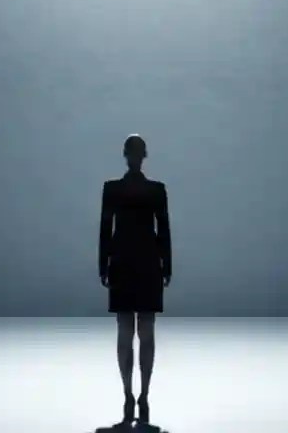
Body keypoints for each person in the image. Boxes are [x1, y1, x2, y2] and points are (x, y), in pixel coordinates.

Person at [99, 134, 171, 426]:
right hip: (144, 263)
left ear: (126, 154)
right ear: (143, 154)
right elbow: (163, 229)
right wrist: (167, 265)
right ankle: (139, 393)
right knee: (142, 330)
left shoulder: (113, 189)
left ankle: (132, 393)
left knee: (128, 330)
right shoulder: (155, 190)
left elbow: (106, 229)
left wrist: (103, 264)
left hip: (127, 262)